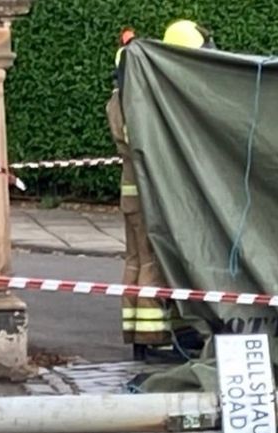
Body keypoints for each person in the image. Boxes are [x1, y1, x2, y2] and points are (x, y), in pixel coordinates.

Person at [106, 20, 213, 361]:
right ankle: (154, 337)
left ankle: (146, 334)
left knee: (137, 260)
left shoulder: (120, 98)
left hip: (133, 192)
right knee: (155, 261)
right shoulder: (141, 100)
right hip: (152, 192)